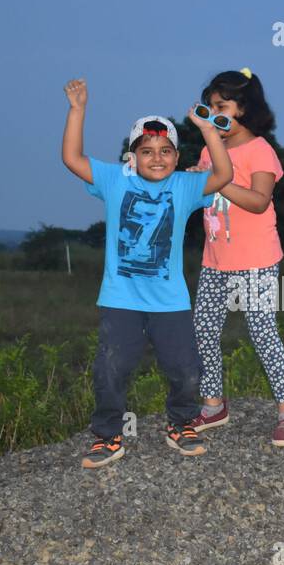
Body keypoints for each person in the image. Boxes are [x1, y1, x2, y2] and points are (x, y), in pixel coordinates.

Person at [61, 77, 233, 468]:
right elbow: (72, 158)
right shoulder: (115, 180)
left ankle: (181, 423)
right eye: (147, 150)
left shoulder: (186, 186)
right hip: (120, 298)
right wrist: (78, 110)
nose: (157, 158)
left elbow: (224, 175)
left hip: (170, 301)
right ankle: (108, 436)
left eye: (166, 151)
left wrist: (208, 130)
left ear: (177, 155)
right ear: (132, 156)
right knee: (111, 367)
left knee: (187, 370)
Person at [187, 68, 284, 447]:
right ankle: (213, 404)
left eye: (221, 106)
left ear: (244, 109)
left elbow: (258, 201)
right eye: (209, 106)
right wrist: (196, 181)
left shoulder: (260, 150)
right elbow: (209, 197)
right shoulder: (208, 150)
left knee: (262, 331)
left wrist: (220, 180)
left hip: (256, 259)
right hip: (215, 258)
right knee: (203, 327)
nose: (212, 113)